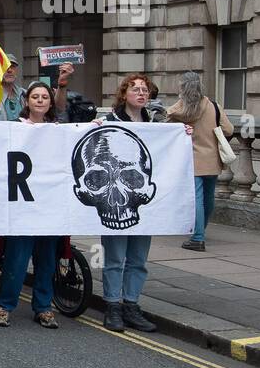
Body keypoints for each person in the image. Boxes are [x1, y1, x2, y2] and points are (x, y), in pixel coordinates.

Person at [97, 72, 165, 334]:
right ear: (124, 94)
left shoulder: (156, 125)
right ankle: (112, 306)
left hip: (142, 203)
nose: (141, 93)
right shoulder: (109, 122)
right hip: (113, 202)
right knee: (115, 257)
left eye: (145, 90)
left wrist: (182, 133)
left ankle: (131, 305)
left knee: (138, 259)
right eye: (135, 89)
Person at [0, 82, 61, 329]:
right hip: (22, 205)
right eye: (35, 97)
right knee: (17, 260)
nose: (40, 101)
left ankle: (43, 307)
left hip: (49, 206)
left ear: (50, 103)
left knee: (46, 261)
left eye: (45, 97)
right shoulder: (14, 128)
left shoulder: (59, 130)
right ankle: (5, 305)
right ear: (27, 102)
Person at [167, 71, 232, 252]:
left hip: (192, 160)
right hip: (212, 159)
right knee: (208, 198)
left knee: (196, 199)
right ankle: (200, 230)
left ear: (183, 88)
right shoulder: (213, 105)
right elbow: (228, 129)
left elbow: (166, 119)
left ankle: (197, 237)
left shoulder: (180, 108)